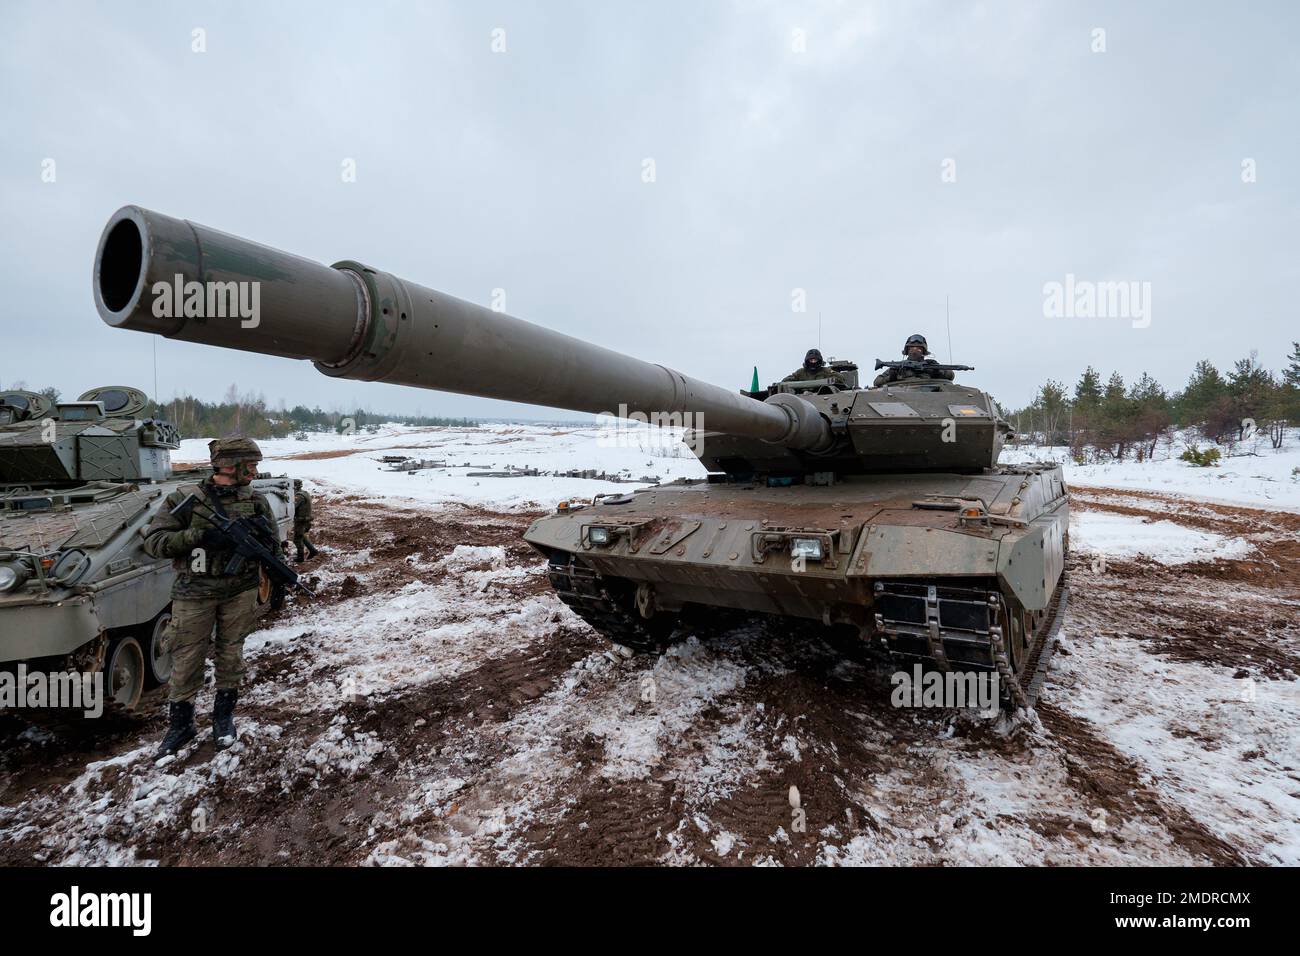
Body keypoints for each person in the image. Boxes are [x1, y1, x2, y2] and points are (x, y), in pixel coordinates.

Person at [144, 437, 278, 756]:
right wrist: (200, 536)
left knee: (231, 655)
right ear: (231, 466)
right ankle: (181, 726)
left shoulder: (256, 501)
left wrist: (257, 543)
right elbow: (155, 542)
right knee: (187, 658)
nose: (255, 471)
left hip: (239, 590)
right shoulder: (186, 499)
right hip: (194, 592)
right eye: (252, 465)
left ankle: (223, 719)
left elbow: (272, 545)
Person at [872, 334, 957, 387]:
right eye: (912, 348)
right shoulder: (900, 366)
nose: (915, 350)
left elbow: (950, 375)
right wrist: (891, 377)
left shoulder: (930, 365)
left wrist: (937, 371)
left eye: (918, 348)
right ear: (907, 351)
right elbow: (877, 382)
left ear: (923, 352)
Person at [293, 479, 319, 562]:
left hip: (301, 521)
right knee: (302, 536)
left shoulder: (298, 496)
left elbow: (292, 507)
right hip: (306, 520)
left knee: (297, 539)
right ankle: (313, 550)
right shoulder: (305, 493)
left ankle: (300, 557)